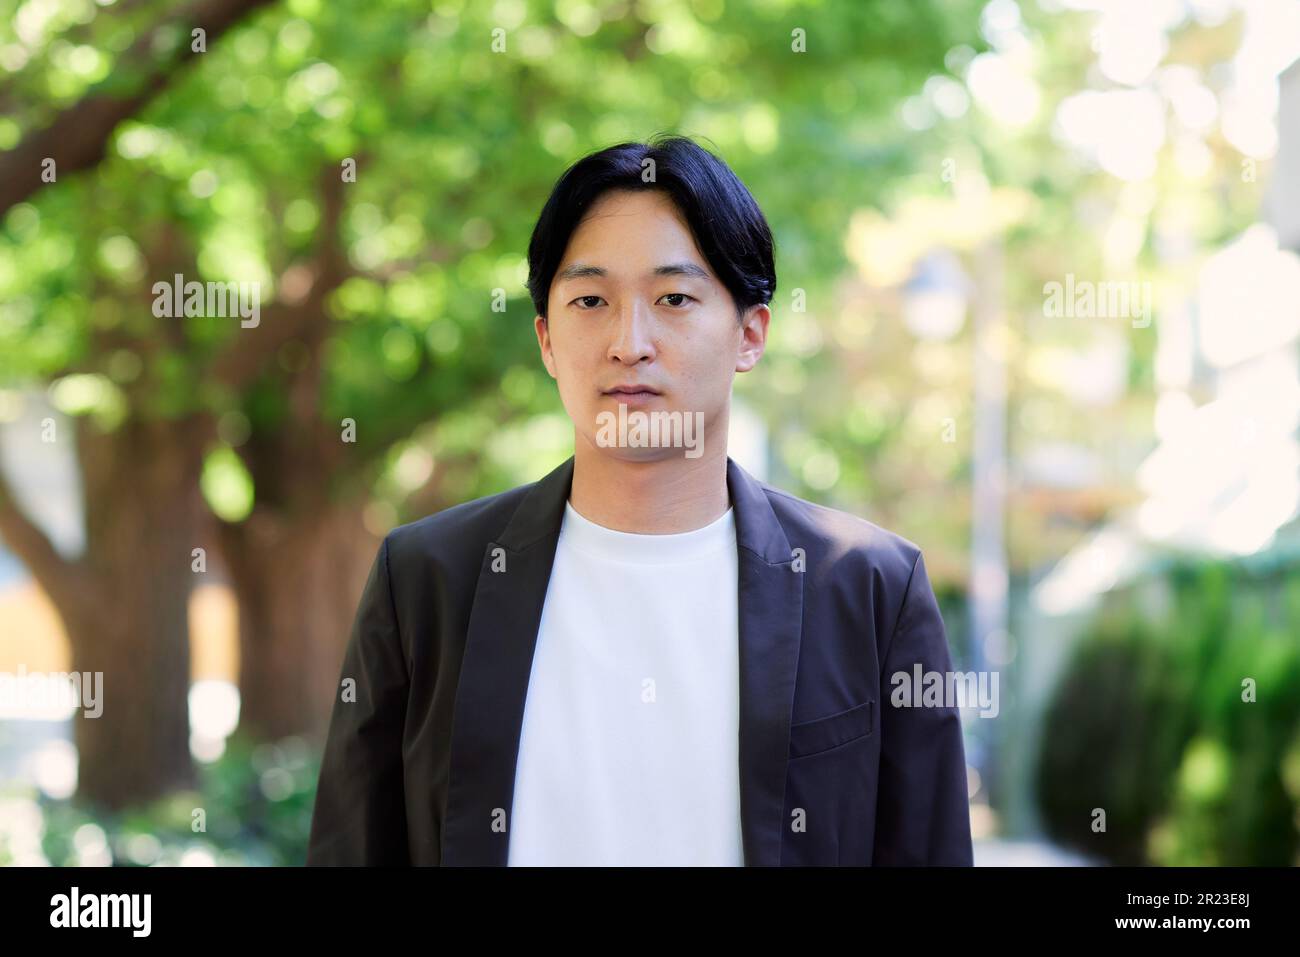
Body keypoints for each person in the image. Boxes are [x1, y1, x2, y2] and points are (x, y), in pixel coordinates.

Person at [306, 133, 973, 866]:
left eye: (674, 298)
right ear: (547, 339)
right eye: (590, 299)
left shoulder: (870, 587)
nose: (630, 341)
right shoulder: (429, 579)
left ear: (750, 333)